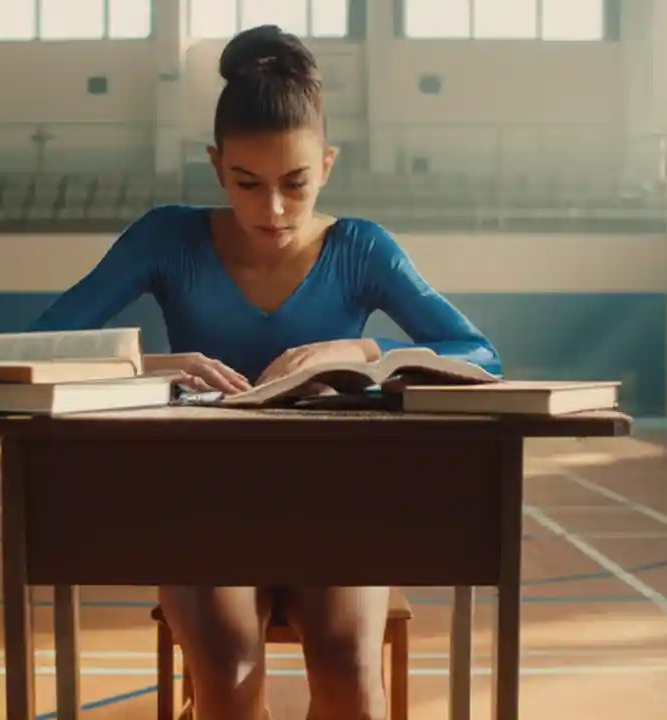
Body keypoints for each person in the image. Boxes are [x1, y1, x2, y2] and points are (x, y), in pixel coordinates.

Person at [28, 24, 502, 720]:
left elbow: (478, 355)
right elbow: (40, 345)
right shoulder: (168, 237)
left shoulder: (362, 248)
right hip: (201, 499)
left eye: (295, 183)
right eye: (248, 184)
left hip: (333, 501)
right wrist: (159, 365)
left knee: (348, 681)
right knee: (228, 673)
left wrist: (360, 352)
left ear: (329, 166)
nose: (273, 209)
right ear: (217, 167)